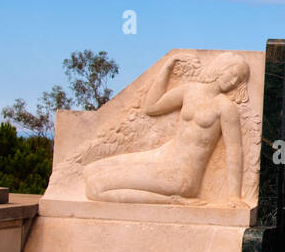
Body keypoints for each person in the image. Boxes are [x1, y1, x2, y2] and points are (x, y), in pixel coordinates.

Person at [84, 52, 249, 204]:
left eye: (239, 79)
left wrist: (234, 196)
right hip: (162, 158)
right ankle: (170, 199)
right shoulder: (190, 91)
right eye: (233, 74)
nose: (234, 81)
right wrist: (168, 66)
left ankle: (171, 201)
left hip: (180, 177)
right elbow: (151, 107)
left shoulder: (225, 107)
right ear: (221, 68)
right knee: (90, 170)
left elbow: (234, 150)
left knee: (95, 188)